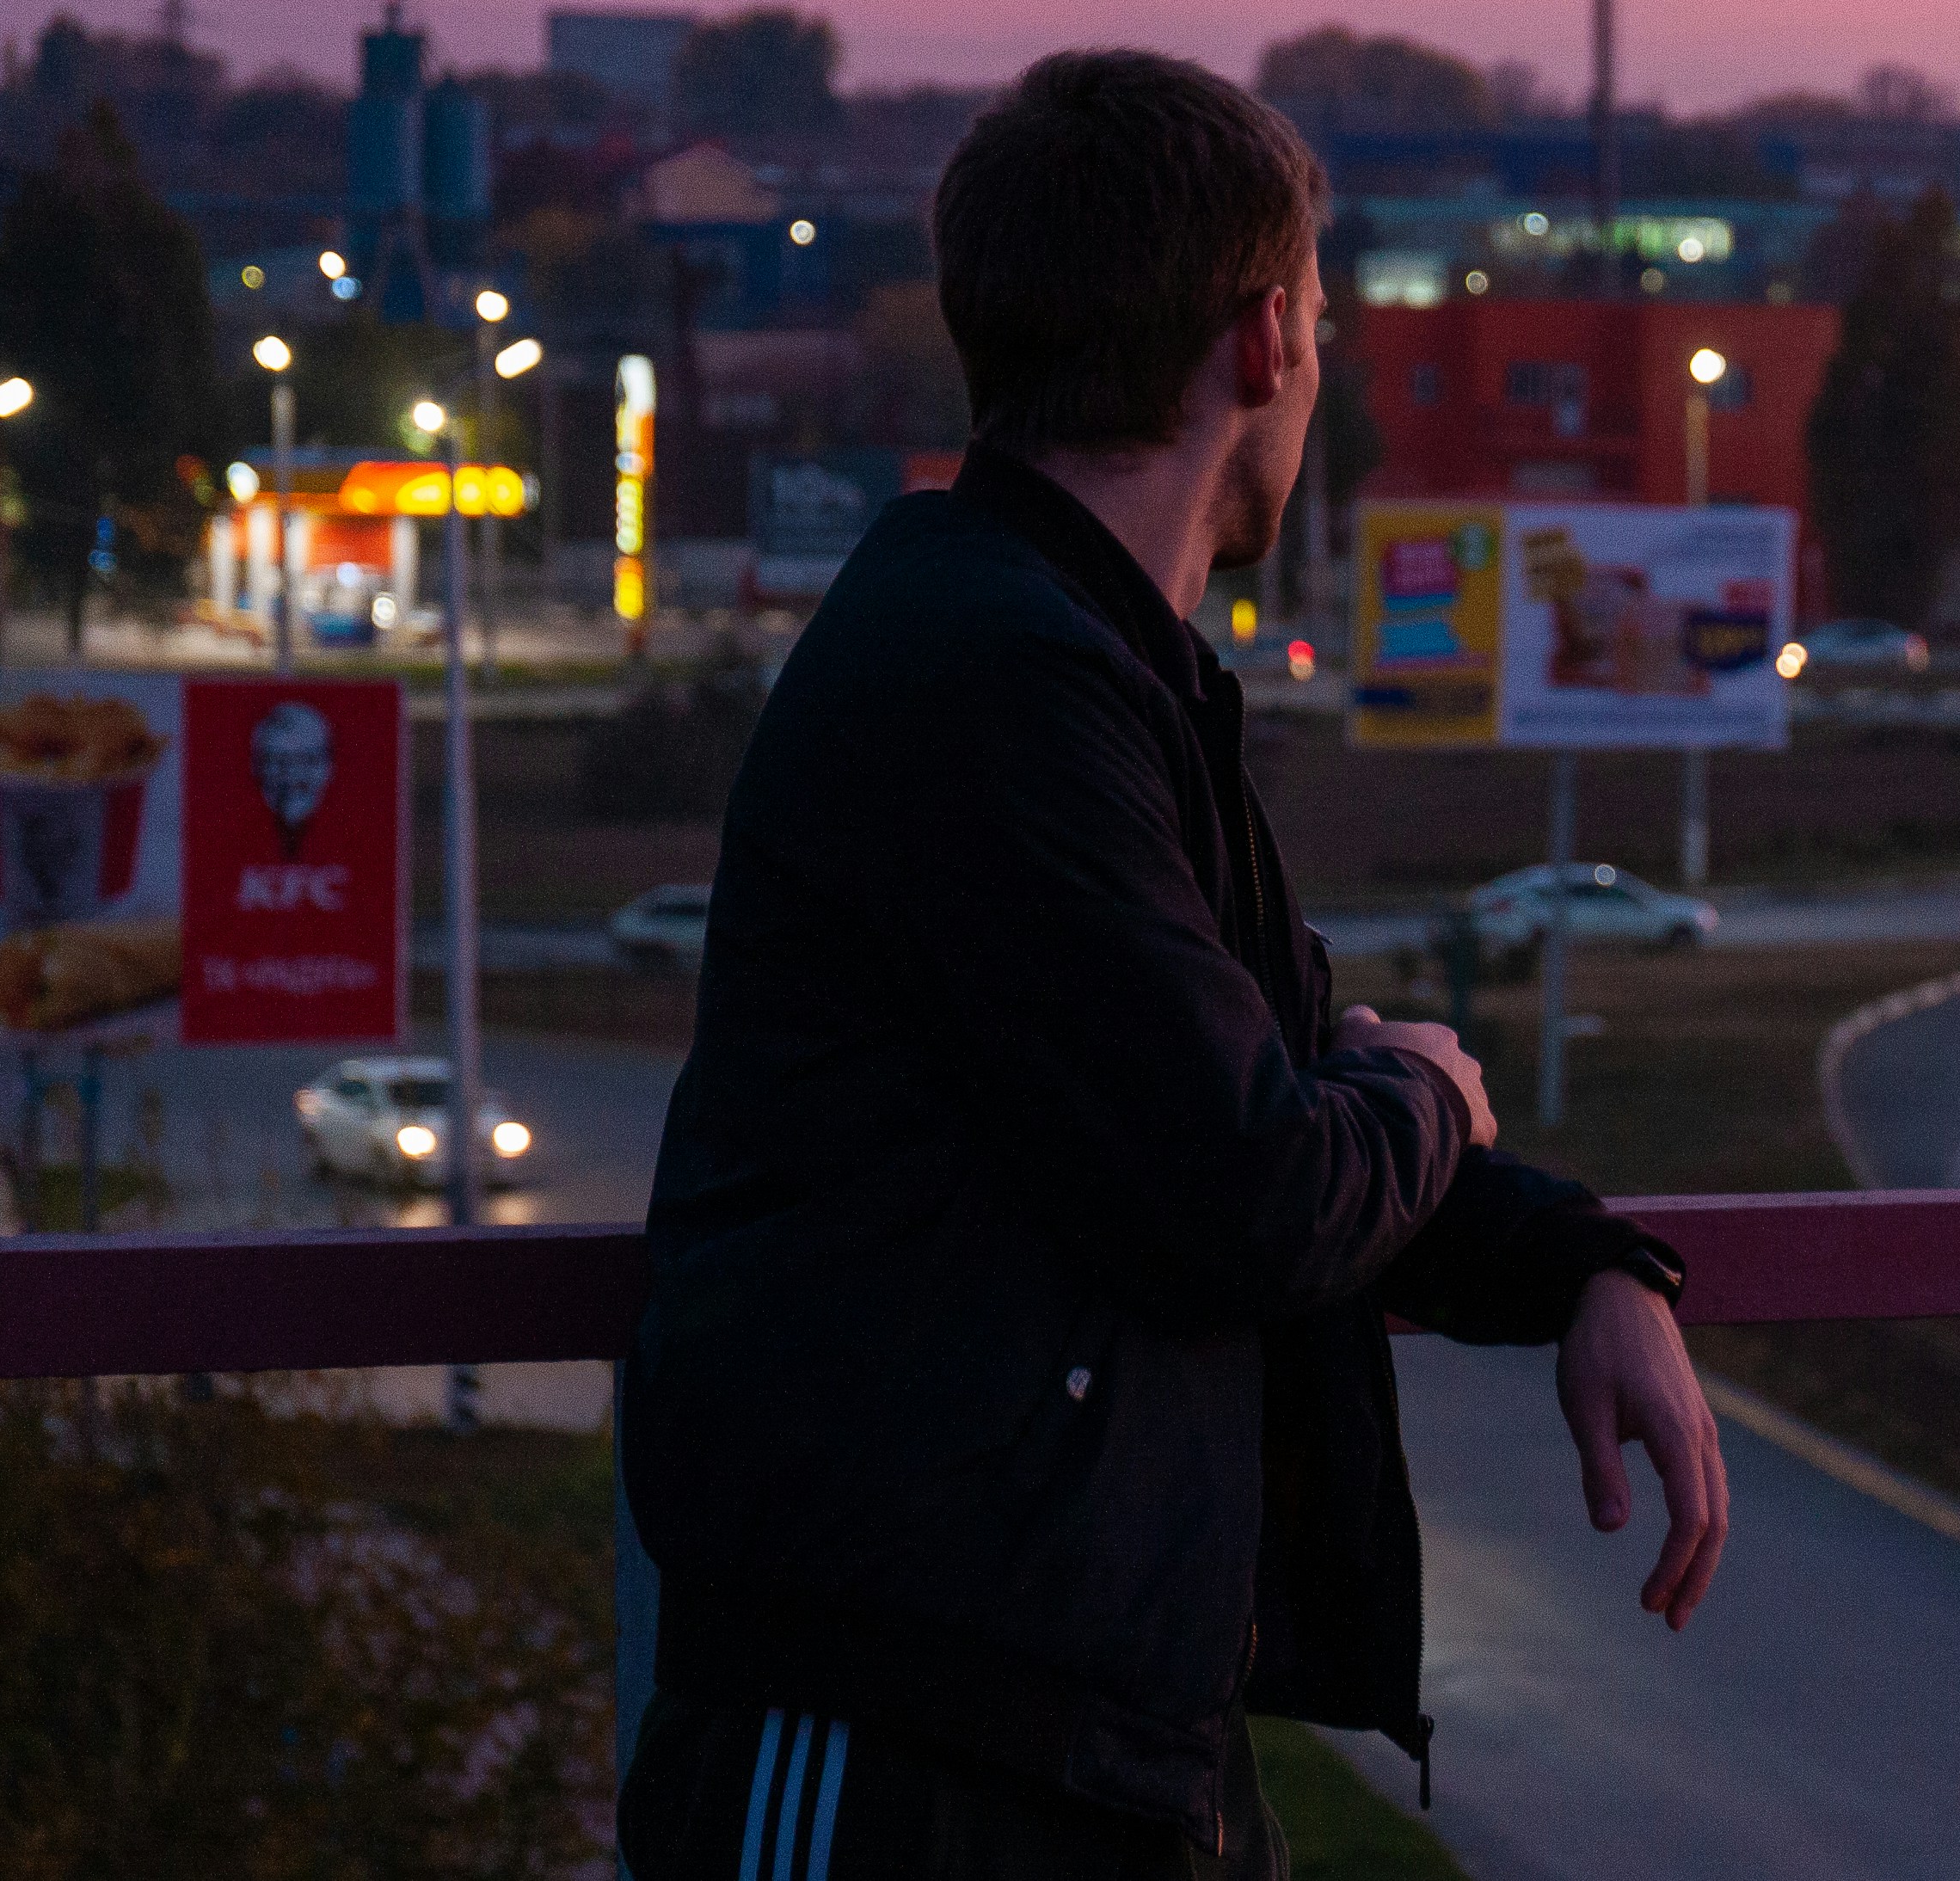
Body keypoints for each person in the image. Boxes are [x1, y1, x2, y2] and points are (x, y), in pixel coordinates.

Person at [616, 50, 1728, 1881]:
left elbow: (1277, 1101)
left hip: (1094, 1738)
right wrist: (1428, 1095)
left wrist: (1586, 1257)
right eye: (1328, 318)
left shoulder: (1099, 673)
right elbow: (1254, 1178)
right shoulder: (997, 677)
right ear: (1269, 337)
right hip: (903, 1757)